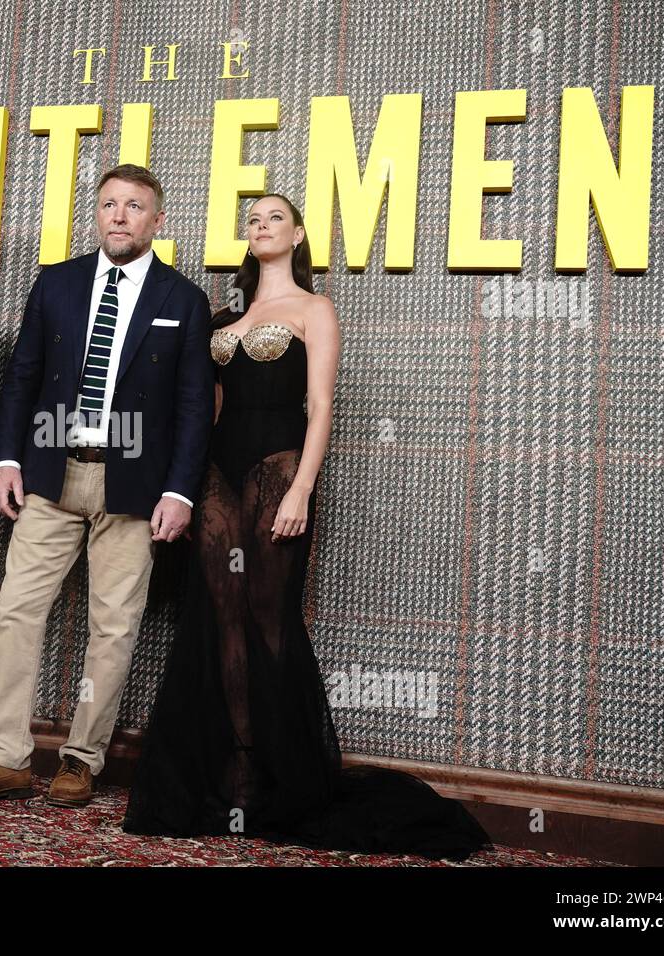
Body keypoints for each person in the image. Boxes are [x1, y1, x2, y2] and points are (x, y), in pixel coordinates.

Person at [121, 194, 490, 860]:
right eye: (253, 219)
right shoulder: (223, 314)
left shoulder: (316, 310)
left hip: (278, 469)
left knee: (268, 617)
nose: (261, 226)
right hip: (216, 477)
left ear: (297, 235)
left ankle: (279, 773)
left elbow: (319, 406)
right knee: (217, 617)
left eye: (274, 218)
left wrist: (301, 488)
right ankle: (233, 769)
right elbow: (202, 408)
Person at [0, 164, 215, 808]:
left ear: (157, 219)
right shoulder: (57, 283)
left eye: (136, 206)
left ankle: (82, 759)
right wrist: (6, 460)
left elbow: (195, 406)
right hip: (51, 472)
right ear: (97, 212)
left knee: (113, 626)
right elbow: (22, 378)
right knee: (15, 613)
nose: (120, 216)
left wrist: (180, 491)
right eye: (110, 204)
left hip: (136, 483)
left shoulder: (182, 300)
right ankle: (5, 757)